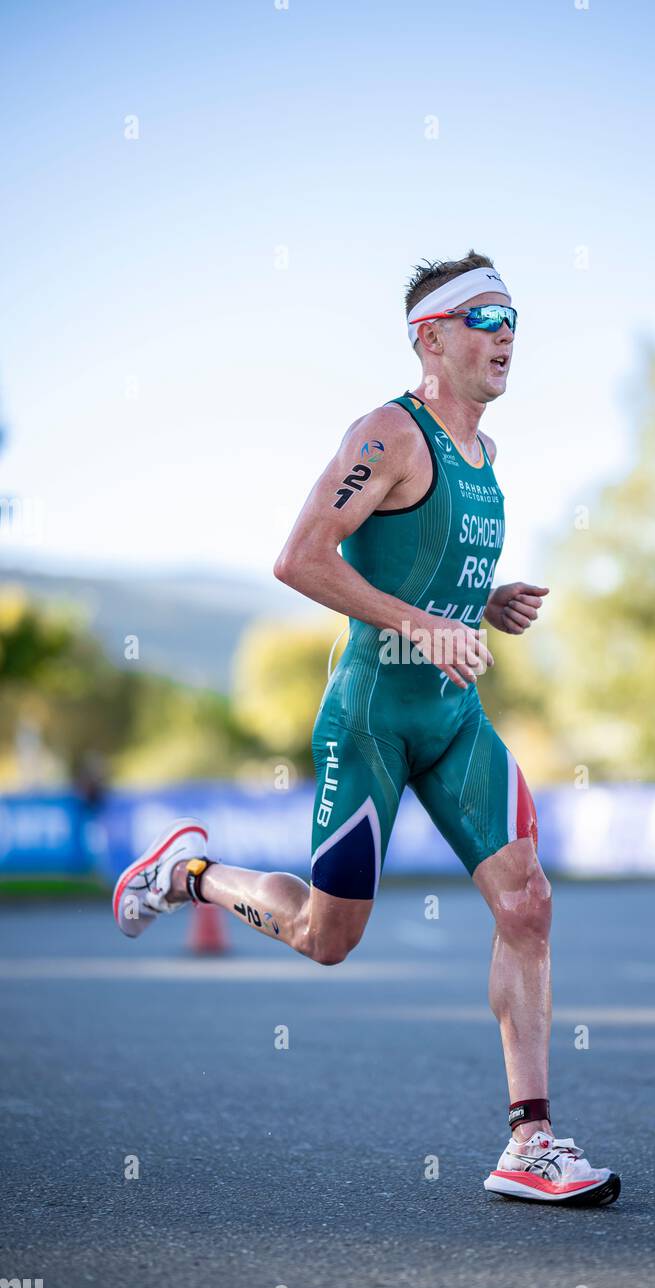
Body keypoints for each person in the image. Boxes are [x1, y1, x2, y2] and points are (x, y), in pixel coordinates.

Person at [112, 250, 621, 1206]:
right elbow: (300, 559)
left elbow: (424, 570)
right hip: (371, 722)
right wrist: (422, 624)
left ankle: (531, 1140)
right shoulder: (389, 433)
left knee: (529, 904)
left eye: (514, 314)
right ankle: (186, 874)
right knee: (327, 934)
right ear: (429, 337)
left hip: (453, 719)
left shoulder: (486, 456)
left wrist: (483, 602)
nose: (507, 331)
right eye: (484, 315)